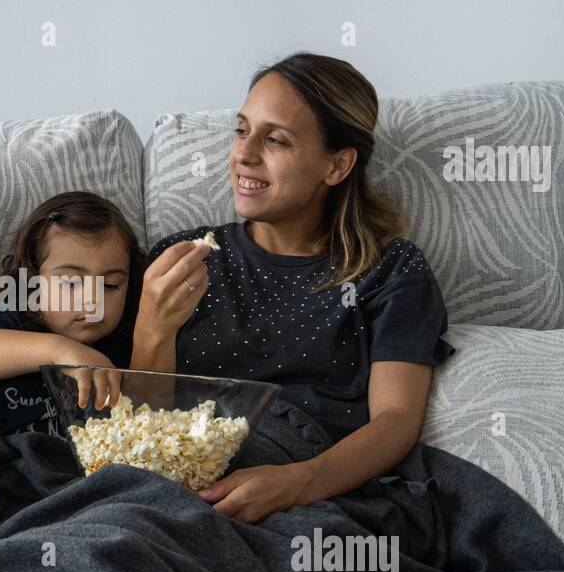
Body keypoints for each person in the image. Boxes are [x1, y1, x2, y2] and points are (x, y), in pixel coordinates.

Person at [132, 52, 456, 523]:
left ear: (337, 166)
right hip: (176, 491)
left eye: (276, 140)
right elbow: (141, 430)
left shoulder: (390, 271)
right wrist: (152, 329)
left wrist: (297, 484)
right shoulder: (182, 259)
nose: (244, 153)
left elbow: (396, 421)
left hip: (313, 493)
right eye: (241, 130)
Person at [0, 191, 145, 436]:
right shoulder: (16, 322)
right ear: (33, 280)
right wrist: (59, 351)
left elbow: (153, 409)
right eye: (71, 282)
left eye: (110, 284)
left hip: (83, 468)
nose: (92, 299)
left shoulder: (125, 341)